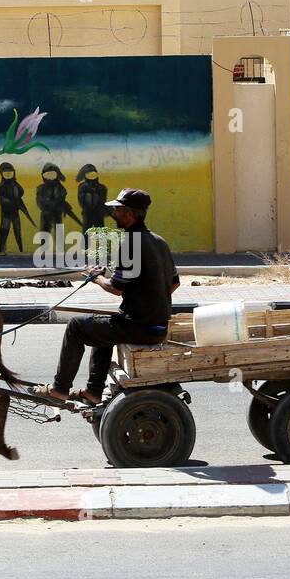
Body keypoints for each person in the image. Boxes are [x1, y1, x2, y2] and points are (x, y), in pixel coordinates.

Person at [36, 188, 178, 406]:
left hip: (139, 327)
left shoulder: (130, 243)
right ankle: (93, 391)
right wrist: (150, 296)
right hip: (157, 326)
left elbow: (116, 288)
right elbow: (174, 283)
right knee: (100, 326)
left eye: (118, 211)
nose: (114, 215)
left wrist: (95, 277)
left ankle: (59, 389)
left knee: (76, 327)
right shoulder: (159, 241)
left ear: (129, 214)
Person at [0, 161, 32, 253]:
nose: (8, 174)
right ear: (1, 174)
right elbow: (0, 199)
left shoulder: (15, 184)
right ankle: (1, 249)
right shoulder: (0, 186)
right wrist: (11, 202)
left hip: (15, 213)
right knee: (4, 230)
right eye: (5, 172)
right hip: (6, 213)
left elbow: (21, 191)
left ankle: (20, 249)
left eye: (10, 172)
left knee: (17, 231)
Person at [36, 162, 81, 234]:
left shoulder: (60, 188)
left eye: (52, 174)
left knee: (59, 233)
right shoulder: (41, 188)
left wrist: (62, 206)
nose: (50, 177)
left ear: (57, 175)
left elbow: (62, 198)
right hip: (46, 214)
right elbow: (40, 202)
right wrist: (54, 205)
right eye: (47, 175)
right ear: (43, 176)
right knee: (44, 233)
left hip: (57, 213)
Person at [76, 163, 108, 229]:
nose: (91, 176)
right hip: (87, 213)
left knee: (100, 233)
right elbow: (81, 200)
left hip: (98, 213)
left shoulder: (102, 187)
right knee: (86, 232)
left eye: (93, 174)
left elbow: (103, 200)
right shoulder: (82, 187)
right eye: (89, 174)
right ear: (85, 175)